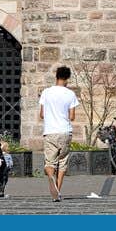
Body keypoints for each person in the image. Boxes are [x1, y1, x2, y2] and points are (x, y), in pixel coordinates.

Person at [37, 66, 77, 204]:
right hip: (65, 131)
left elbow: (41, 114)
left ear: (56, 76)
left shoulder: (46, 92)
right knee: (63, 162)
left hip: (50, 131)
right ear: (67, 78)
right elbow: (72, 117)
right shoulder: (70, 94)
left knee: (50, 162)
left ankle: (50, 178)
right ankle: (57, 192)